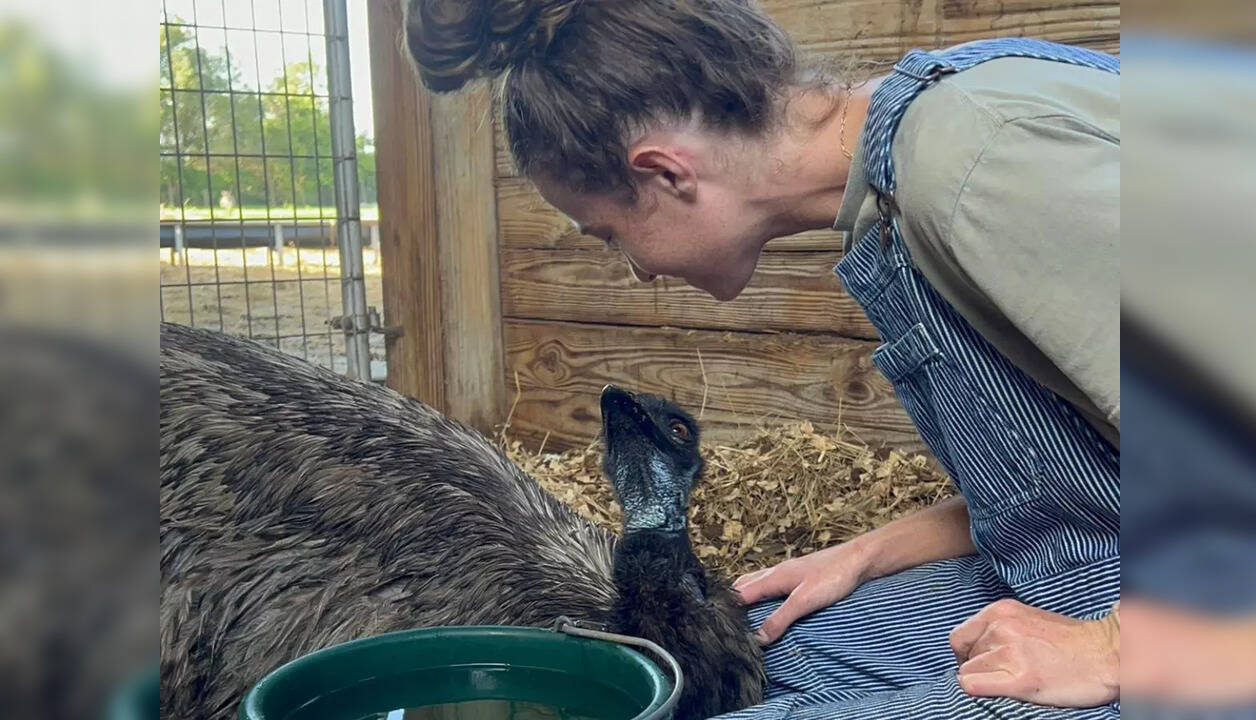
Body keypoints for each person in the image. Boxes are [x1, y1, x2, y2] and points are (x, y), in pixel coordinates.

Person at [405, 1, 1121, 716]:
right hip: (1083, 568)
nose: (636, 272)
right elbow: (1088, 467)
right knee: (713, 661)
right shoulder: (896, 183)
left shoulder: (977, 161)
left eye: (610, 237)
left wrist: (1112, 648)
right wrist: (870, 552)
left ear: (665, 174)